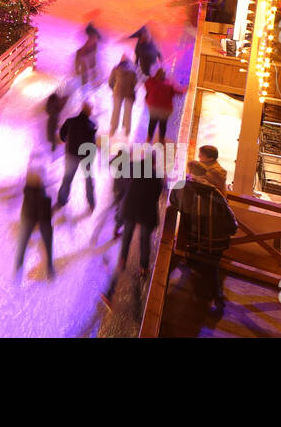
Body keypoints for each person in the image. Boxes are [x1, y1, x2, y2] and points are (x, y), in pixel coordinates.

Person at [171, 160, 238, 309]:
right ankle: (213, 295)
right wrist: (233, 229)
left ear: (190, 172)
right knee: (211, 266)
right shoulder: (215, 192)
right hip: (218, 238)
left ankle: (206, 297)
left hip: (198, 237)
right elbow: (229, 216)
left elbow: (173, 201)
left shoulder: (181, 186)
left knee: (205, 266)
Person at [102, 161, 164, 306]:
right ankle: (143, 267)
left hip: (130, 211)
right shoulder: (156, 178)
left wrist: (118, 224)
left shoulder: (132, 174)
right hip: (146, 213)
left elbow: (123, 197)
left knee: (126, 240)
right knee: (144, 239)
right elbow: (156, 196)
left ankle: (121, 262)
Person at [15, 166, 55, 280]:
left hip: (35, 213)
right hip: (32, 214)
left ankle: (49, 267)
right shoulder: (33, 188)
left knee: (26, 243)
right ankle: (48, 268)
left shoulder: (35, 189)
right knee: (24, 244)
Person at [56, 102, 98, 211]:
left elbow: (62, 133)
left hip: (71, 154)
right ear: (89, 112)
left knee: (67, 178)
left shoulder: (70, 121)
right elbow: (91, 145)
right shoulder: (91, 126)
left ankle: (61, 200)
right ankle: (91, 203)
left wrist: (66, 141)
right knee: (88, 180)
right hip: (85, 157)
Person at [143, 68, 181, 142]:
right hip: (164, 109)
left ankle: (148, 139)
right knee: (163, 124)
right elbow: (175, 92)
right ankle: (161, 140)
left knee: (152, 123)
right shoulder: (167, 85)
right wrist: (184, 90)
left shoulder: (151, 82)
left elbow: (146, 86)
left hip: (154, 108)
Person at [107, 55, 138, 137]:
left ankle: (113, 129)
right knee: (128, 112)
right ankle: (127, 131)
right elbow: (135, 84)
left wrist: (114, 89)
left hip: (118, 92)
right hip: (129, 94)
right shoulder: (133, 71)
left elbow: (110, 82)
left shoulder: (116, 69)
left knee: (116, 110)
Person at [73, 23, 102, 89]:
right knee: (88, 70)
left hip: (87, 57)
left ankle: (90, 84)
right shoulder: (90, 46)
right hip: (85, 57)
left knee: (90, 69)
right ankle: (88, 84)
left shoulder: (92, 44)